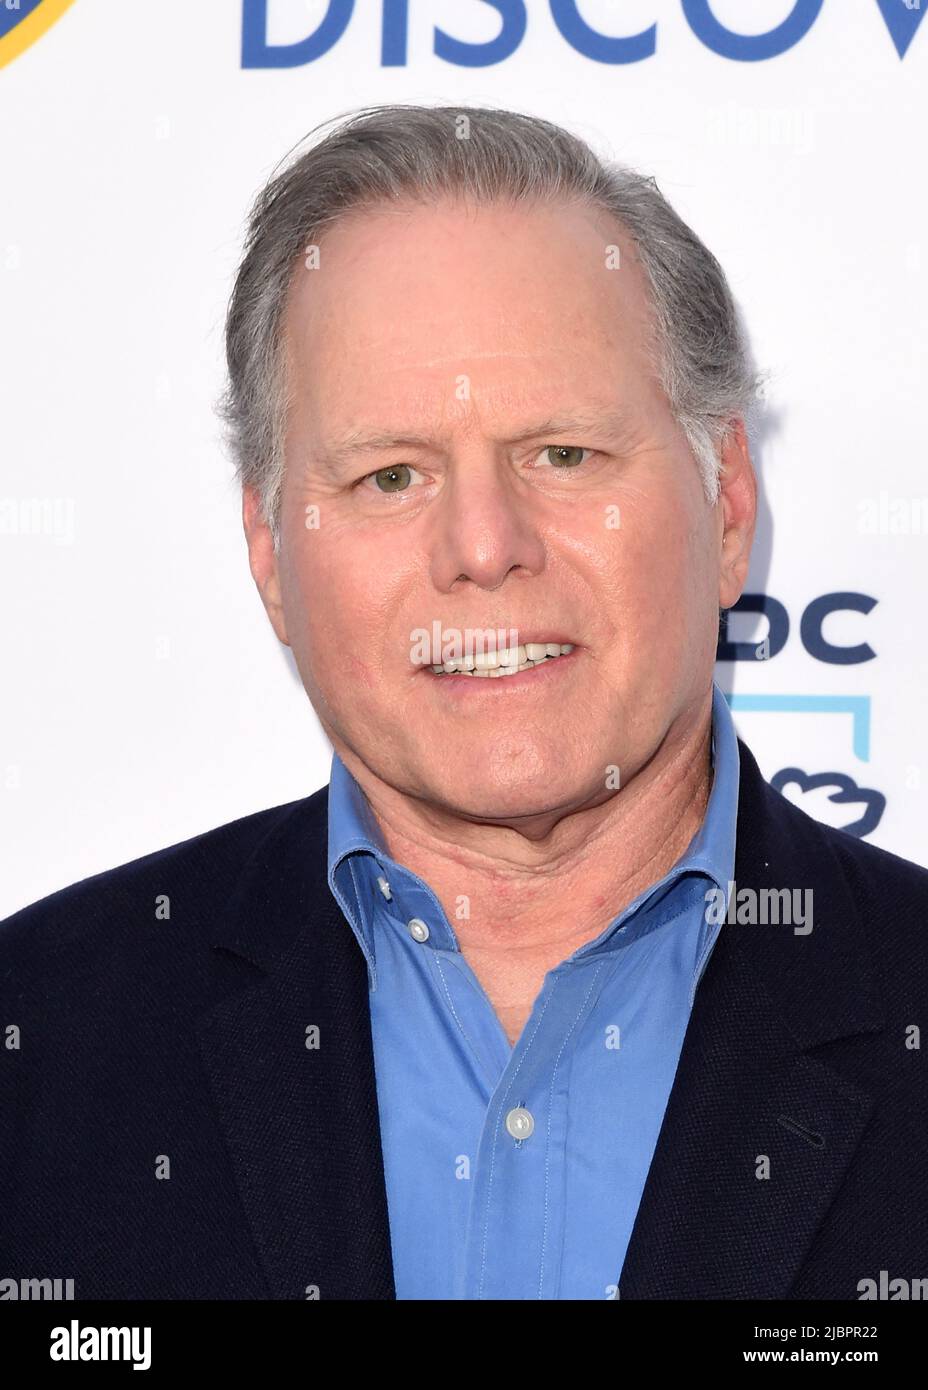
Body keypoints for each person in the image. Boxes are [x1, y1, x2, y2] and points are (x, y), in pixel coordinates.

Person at [2, 105, 926, 1301]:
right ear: (272, 555)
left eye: (564, 454)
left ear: (729, 505)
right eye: (390, 474)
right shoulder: (39, 1044)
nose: (484, 548)